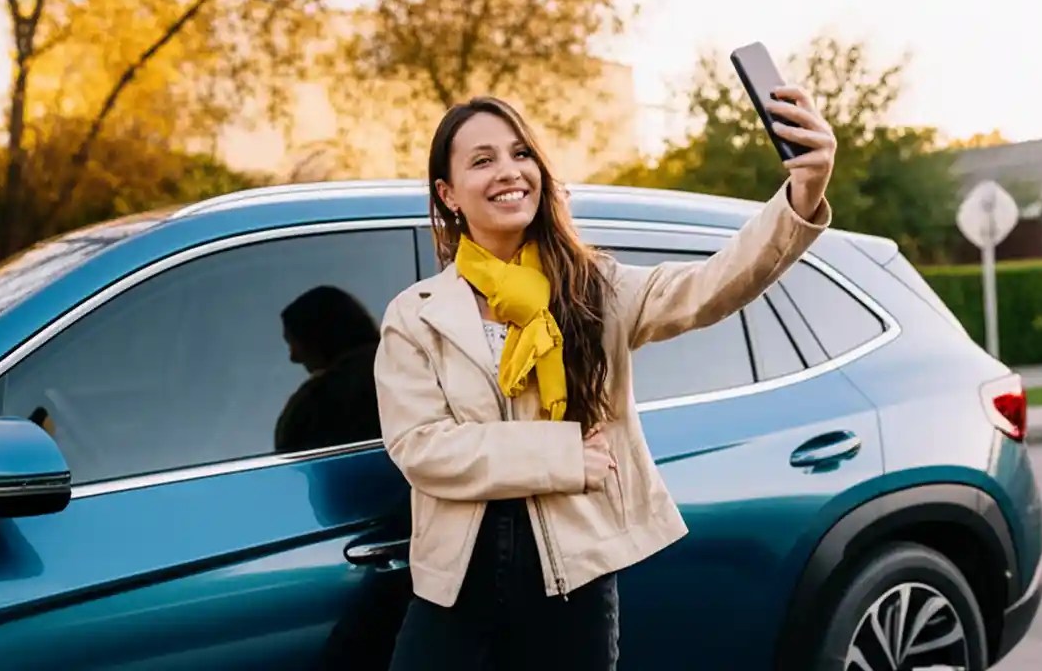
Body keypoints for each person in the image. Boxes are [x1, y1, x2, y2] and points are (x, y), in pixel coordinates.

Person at [373, 92, 835, 670]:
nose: (509, 172)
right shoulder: (415, 313)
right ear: (448, 194)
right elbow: (420, 446)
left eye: (521, 153)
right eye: (482, 160)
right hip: (454, 586)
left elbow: (710, 286)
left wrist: (804, 192)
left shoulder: (594, 287)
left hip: (573, 579)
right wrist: (564, 453)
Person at [274, 285, 382, 454]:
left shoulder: (323, 400)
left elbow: (290, 450)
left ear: (316, 337)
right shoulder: (402, 368)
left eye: (294, 344)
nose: (294, 358)